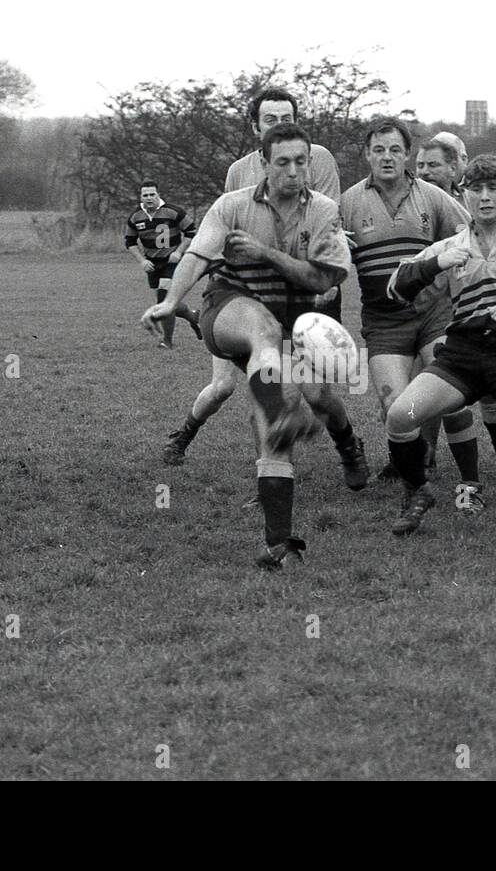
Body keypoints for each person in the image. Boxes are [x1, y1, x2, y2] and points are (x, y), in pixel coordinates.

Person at [142, 123, 351, 569]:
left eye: (301, 162)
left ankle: (281, 540)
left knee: (311, 403)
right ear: (264, 162)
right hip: (230, 310)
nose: (293, 171)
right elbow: (198, 256)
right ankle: (283, 412)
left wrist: (265, 252)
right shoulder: (232, 206)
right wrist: (172, 302)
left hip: (295, 324)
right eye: (283, 162)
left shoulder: (324, 211)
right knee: (263, 334)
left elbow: (320, 279)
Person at [162, 88, 368, 491]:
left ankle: (348, 447)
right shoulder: (238, 174)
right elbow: (221, 237)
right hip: (240, 300)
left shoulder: (317, 160)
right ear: (256, 128)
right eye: (270, 119)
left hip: (298, 300)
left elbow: (324, 225)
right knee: (244, 386)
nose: (279, 124)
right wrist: (184, 292)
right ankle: (261, 477)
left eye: (286, 116)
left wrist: (320, 272)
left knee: (316, 394)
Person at [384, 154, 496, 536]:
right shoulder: (452, 245)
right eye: (475, 189)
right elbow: (395, 289)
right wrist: (436, 264)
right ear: (463, 193)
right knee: (401, 415)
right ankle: (417, 494)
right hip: (461, 359)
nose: (484, 197)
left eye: (493, 188)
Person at [340, 118, 483, 510]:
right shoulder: (349, 202)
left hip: (434, 317)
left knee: (451, 401)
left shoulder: (431, 197)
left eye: (395, 150)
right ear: (367, 155)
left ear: (407, 155)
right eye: (379, 150)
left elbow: (470, 231)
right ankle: (417, 487)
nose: (387, 157)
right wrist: (334, 243)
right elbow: (331, 255)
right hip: (384, 322)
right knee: (396, 408)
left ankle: (470, 488)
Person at [415, 136, 496, 476]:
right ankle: (425, 455)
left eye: (433, 165)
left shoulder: (461, 207)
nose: (425, 172)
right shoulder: (414, 199)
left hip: (461, 311)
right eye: (420, 165)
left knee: (484, 388)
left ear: (453, 167)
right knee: (431, 383)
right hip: (424, 308)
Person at [123, 180, 200, 349]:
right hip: (152, 264)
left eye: (152, 194)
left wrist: (178, 252)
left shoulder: (173, 211)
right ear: (140, 197)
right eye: (145, 195)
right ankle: (193, 317)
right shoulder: (135, 216)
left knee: (163, 299)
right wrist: (142, 261)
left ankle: (167, 341)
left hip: (172, 262)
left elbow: (192, 232)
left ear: (158, 195)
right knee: (166, 303)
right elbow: (129, 242)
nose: (149, 198)